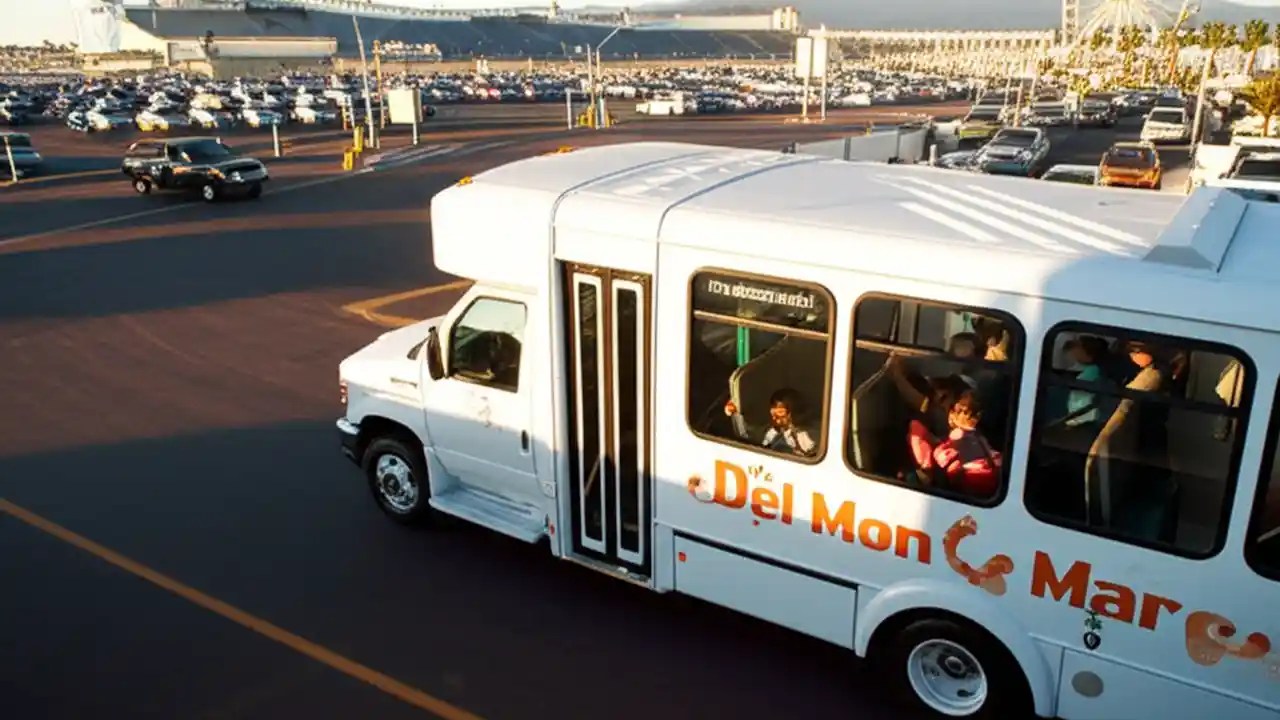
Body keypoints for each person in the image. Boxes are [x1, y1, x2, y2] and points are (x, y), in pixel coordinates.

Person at [905, 391, 1002, 498]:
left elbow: (943, 455)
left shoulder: (958, 433)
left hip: (966, 481)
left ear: (953, 415)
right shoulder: (978, 434)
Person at [724, 388, 817, 457]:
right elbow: (746, 434)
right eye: (772, 412)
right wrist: (735, 412)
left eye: (780, 413)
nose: (774, 417)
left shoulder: (806, 434)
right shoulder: (771, 431)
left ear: (793, 412)